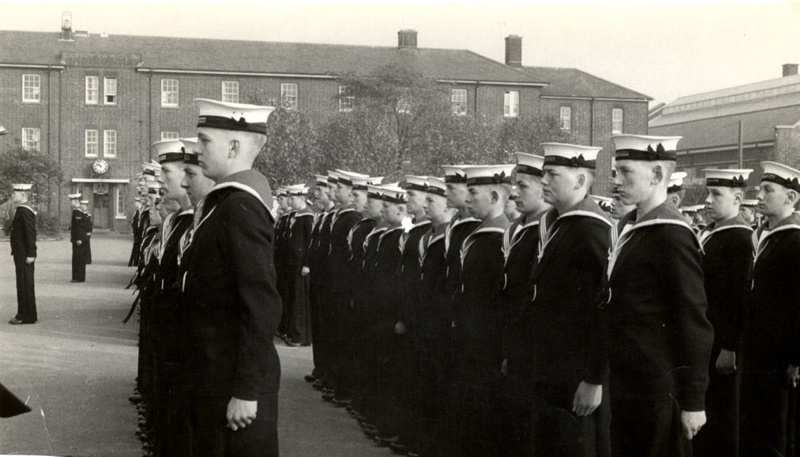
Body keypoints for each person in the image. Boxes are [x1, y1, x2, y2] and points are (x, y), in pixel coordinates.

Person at [179, 98, 281, 457]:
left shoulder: (240, 208)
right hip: (216, 380)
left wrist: (246, 390)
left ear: (234, 146)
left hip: (233, 391)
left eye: (205, 141)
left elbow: (261, 304)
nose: (198, 149)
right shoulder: (226, 204)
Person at [604, 134, 713, 457]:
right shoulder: (634, 227)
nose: (616, 181)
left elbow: (692, 320)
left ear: (655, 176)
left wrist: (693, 400)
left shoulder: (671, 233)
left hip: (657, 388)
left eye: (625, 172)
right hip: (628, 382)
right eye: (615, 172)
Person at [529, 143, 612, 457]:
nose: (544, 182)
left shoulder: (591, 230)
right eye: (544, 174)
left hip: (577, 376)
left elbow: (602, 311)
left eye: (552, 174)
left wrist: (594, 377)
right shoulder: (560, 225)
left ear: (580, 182)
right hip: (554, 368)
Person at [451, 164, 513, 457]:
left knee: (485, 420)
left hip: (486, 344)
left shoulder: (499, 236)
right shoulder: (481, 232)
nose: (467, 199)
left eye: (473, 193)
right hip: (472, 339)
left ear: (493, 196)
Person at [740, 161, 800, 457]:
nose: (759, 196)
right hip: (757, 350)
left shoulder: (795, 240)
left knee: (777, 430)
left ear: (791, 198)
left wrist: (797, 358)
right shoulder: (763, 235)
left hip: (780, 356)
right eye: (760, 189)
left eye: (768, 190)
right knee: (756, 427)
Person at [692, 168, 754, 457]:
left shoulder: (740, 238)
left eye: (716, 194)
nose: (707, 200)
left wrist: (730, 345)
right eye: (707, 193)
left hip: (722, 344)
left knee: (723, 417)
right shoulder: (713, 234)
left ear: (738, 198)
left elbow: (740, 298)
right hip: (707, 340)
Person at [499, 153, 550, 456]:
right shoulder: (521, 228)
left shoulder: (545, 231)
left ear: (544, 189)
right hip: (515, 346)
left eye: (523, 186)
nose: (515, 192)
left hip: (532, 349)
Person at [284, 185, 313, 347]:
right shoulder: (298, 216)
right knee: (294, 298)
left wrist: (307, 264)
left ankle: (300, 335)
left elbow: (310, 241)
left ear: (301, 199)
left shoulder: (307, 217)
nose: (289, 201)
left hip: (301, 265)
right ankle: (296, 333)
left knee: (300, 301)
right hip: (294, 263)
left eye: (292, 198)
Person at [8, 183, 37, 325]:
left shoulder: (25, 211)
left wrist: (32, 254)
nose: (12, 195)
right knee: (23, 284)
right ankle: (24, 314)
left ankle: (26, 316)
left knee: (25, 284)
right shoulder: (21, 210)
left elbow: (30, 234)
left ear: (23, 195)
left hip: (25, 254)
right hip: (21, 253)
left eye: (15, 193)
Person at [68, 193, 89, 283]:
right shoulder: (79, 211)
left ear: (75, 201)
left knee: (78, 258)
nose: (70, 203)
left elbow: (80, 227)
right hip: (78, 239)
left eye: (71, 201)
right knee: (79, 258)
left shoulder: (77, 212)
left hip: (78, 240)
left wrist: (79, 239)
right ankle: (79, 277)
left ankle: (78, 277)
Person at [80, 200, 93, 265]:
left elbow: (89, 224)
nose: (83, 206)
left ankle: (87, 260)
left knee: (86, 246)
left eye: (84, 205)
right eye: (82, 205)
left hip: (86, 233)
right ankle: (85, 259)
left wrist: (89, 231)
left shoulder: (87, 214)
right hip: (83, 232)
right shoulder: (82, 213)